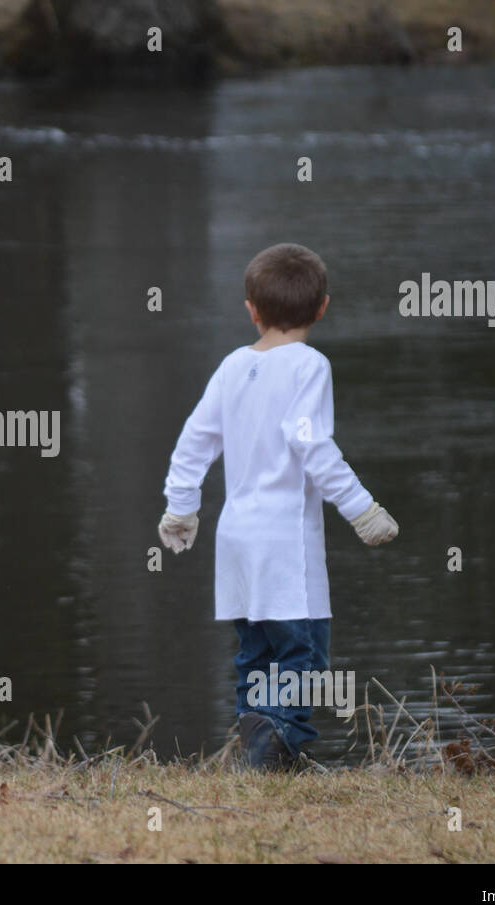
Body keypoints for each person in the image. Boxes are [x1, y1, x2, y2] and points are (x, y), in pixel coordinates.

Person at [157, 243, 398, 771]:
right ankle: (278, 752)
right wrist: (362, 508)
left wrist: (181, 507)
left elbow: (195, 440)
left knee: (255, 655)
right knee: (300, 656)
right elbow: (311, 445)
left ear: (252, 308)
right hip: (287, 546)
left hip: (237, 542)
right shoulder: (310, 366)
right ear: (322, 307)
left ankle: (256, 750)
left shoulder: (232, 366)